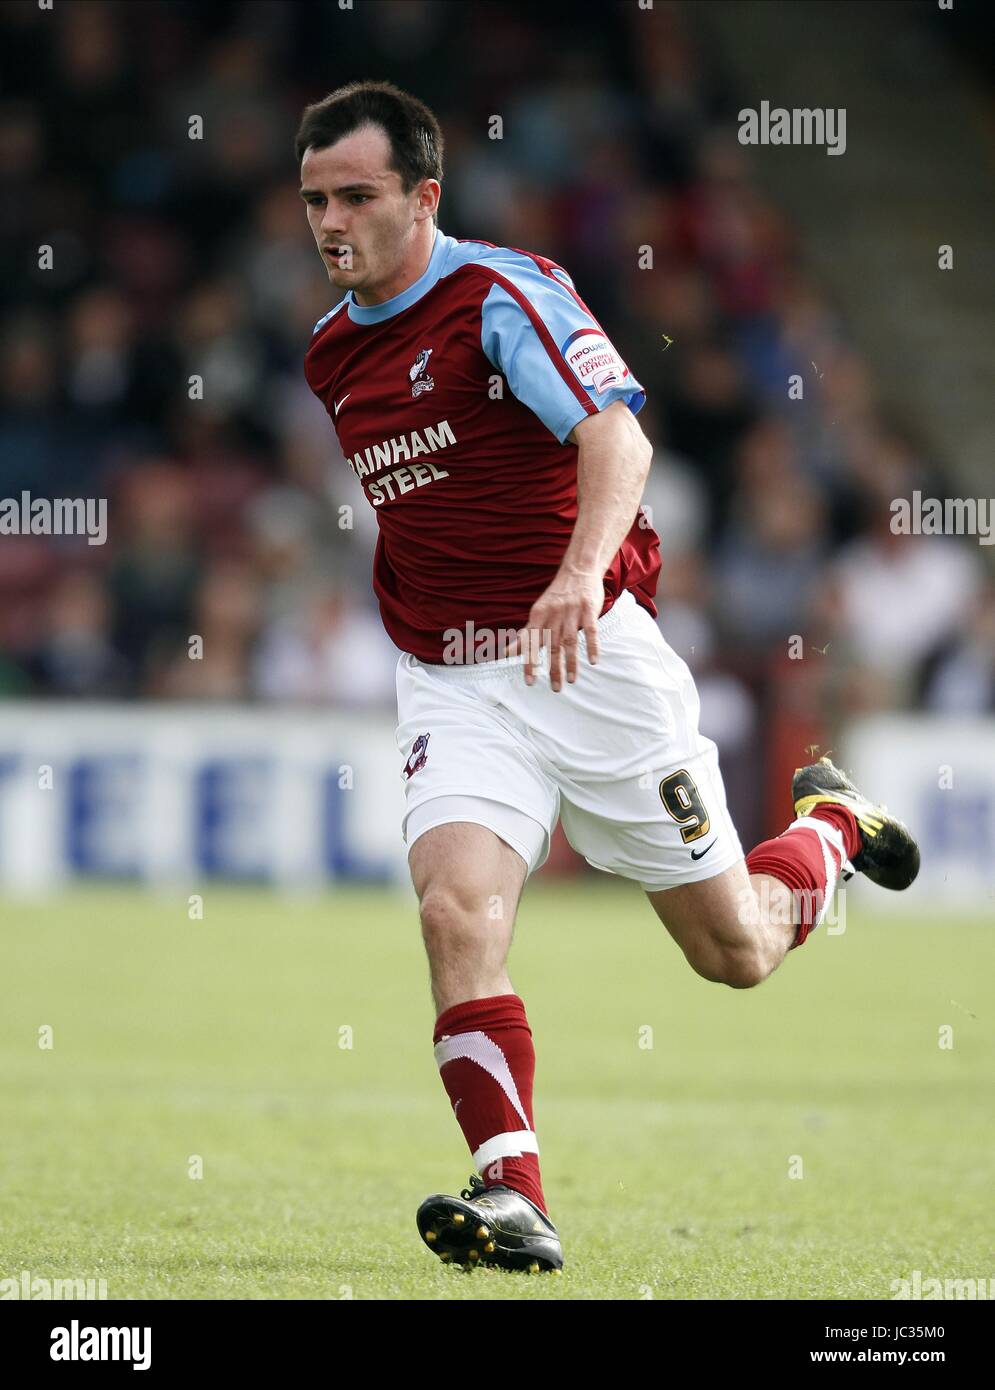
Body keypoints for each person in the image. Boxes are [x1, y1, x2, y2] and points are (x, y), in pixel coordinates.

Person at [297, 80, 919, 1274]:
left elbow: (615, 435)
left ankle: (830, 826)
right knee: (451, 912)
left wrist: (580, 574)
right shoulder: (331, 353)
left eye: (358, 196)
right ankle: (513, 1190)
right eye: (316, 199)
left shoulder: (501, 295)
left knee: (732, 948)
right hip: (453, 676)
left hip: (585, 656)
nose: (331, 221)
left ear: (423, 197)